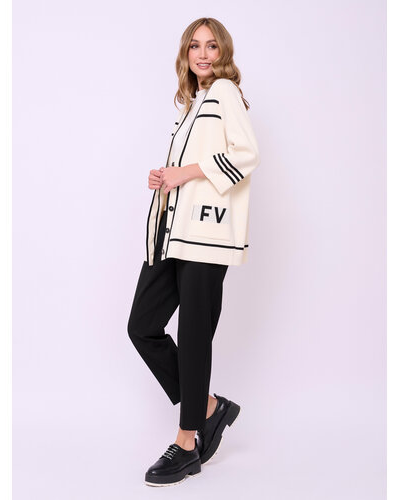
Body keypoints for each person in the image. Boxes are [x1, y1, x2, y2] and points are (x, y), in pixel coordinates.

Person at [127, 17, 260, 487]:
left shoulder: (224, 93)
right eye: (194, 46)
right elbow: (194, 166)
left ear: (223, 52)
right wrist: (167, 177)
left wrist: (184, 173)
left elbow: (246, 154)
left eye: (212, 46)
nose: (203, 54)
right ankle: (207, 406)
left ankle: (187, 443)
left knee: (194, 334)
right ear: (185, 54)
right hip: (174, 232)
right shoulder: (193, 104)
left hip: (206, 235)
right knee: (142, 325)